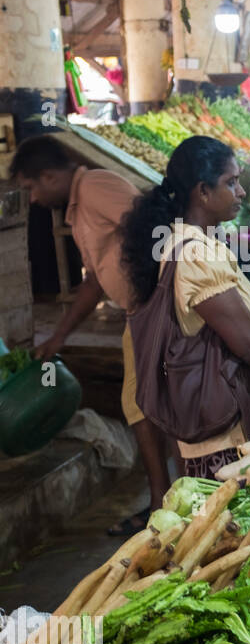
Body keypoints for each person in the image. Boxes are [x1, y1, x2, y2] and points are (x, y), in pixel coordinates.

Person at [118, 136, 250, 479]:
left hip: (238, 427)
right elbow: (249, 346)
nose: (241, 192)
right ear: (203, 192)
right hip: (228, 440)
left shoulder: (200, 240)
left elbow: (228, 302)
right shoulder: (194, 254)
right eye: (231, 183)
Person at [11, 136, 173, 535]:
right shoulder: (77, 207)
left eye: (32, 188)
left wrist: (158, 302)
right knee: (143, 405)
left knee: (150, 404)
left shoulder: (97, 187)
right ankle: (164, 502)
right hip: (139, 316)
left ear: (49, 176)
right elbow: (94, 282)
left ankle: (167, 504)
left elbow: (157, 233)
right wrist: (58, 338)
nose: (31, 199)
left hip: (155, 310)